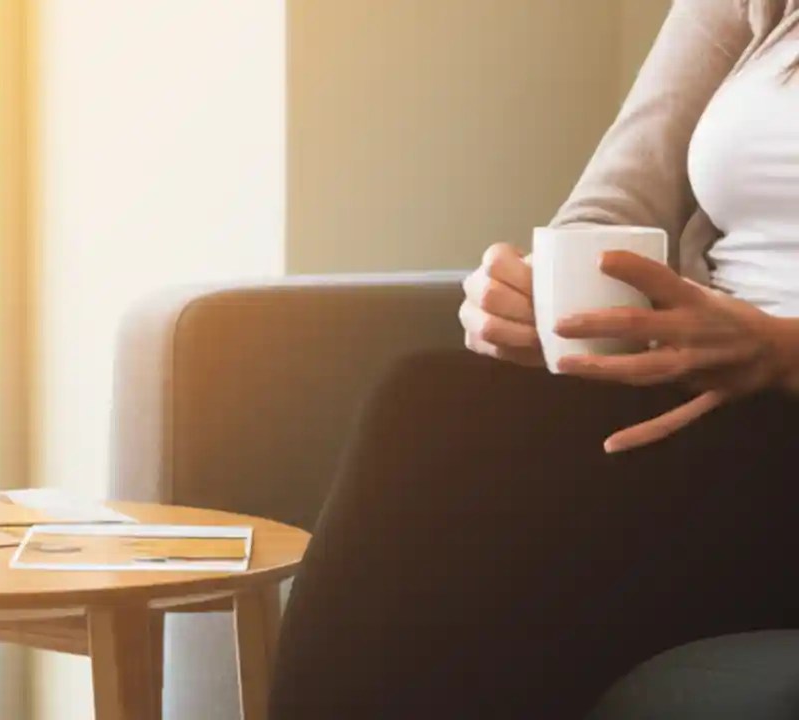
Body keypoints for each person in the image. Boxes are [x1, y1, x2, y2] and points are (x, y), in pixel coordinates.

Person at [270, 1, 799, 717]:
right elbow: (609, 209)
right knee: (439, 409)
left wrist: (778, 350)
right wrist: (543, 298)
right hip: (712, 410)